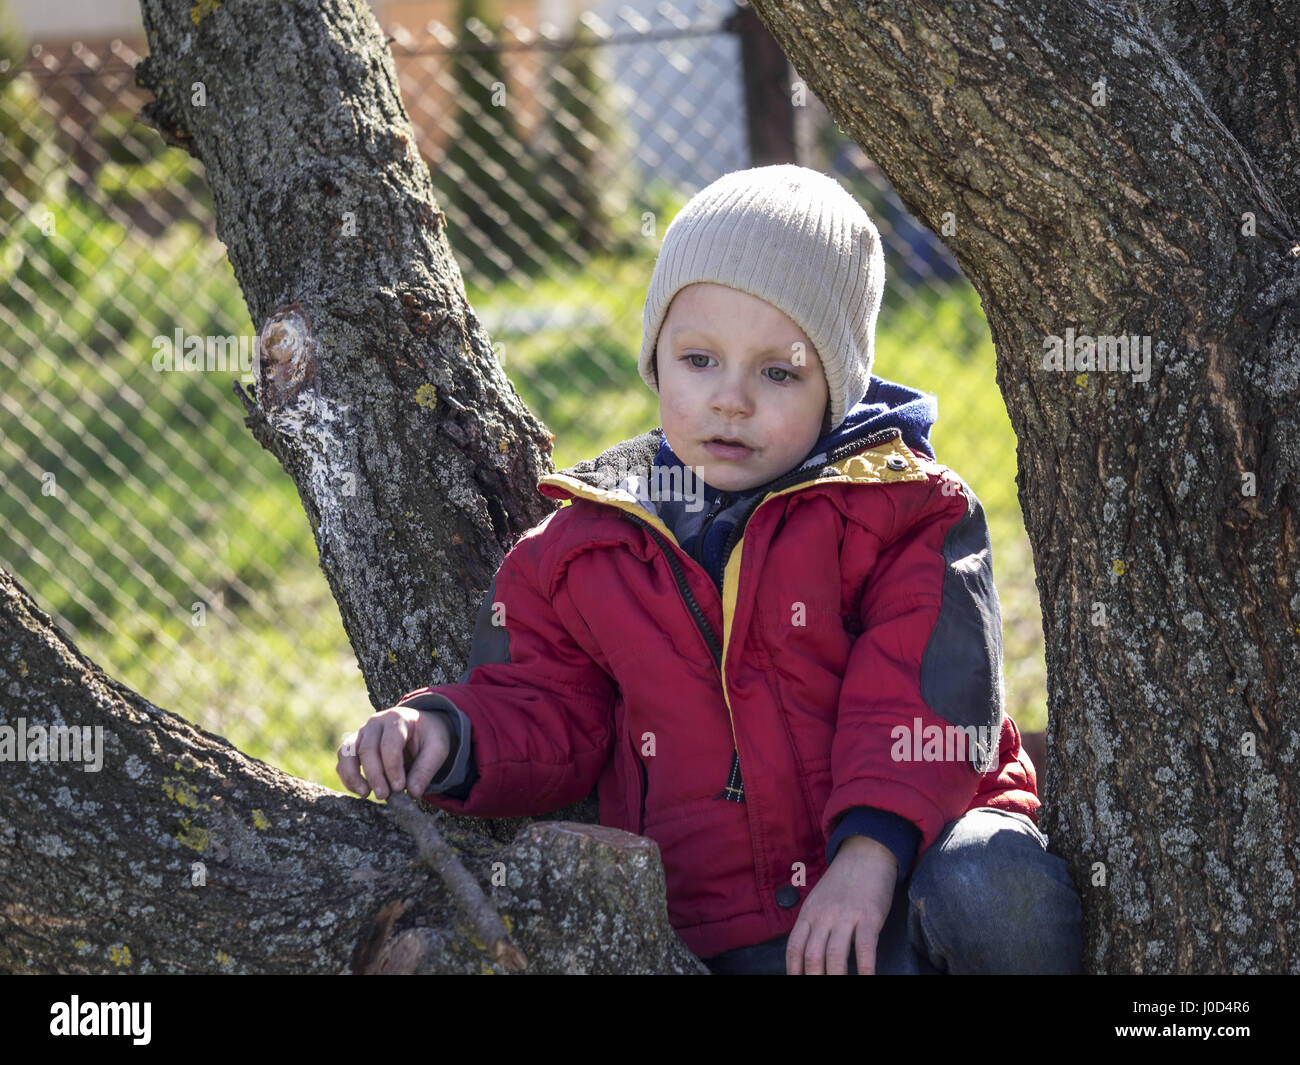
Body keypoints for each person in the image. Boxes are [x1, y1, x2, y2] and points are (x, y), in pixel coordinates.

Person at [337, 165, 1083, 974]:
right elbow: (549, 705)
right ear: (656, 357)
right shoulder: (589, 548)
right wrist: (445, 732)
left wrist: (868, 859)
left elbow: (927, 694)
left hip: (915, 871)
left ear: (839, 385)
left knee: (998, 892)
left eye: (778, 372)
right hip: (734, 929)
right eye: (699, 359)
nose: (731, 400)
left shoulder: (902, 511)